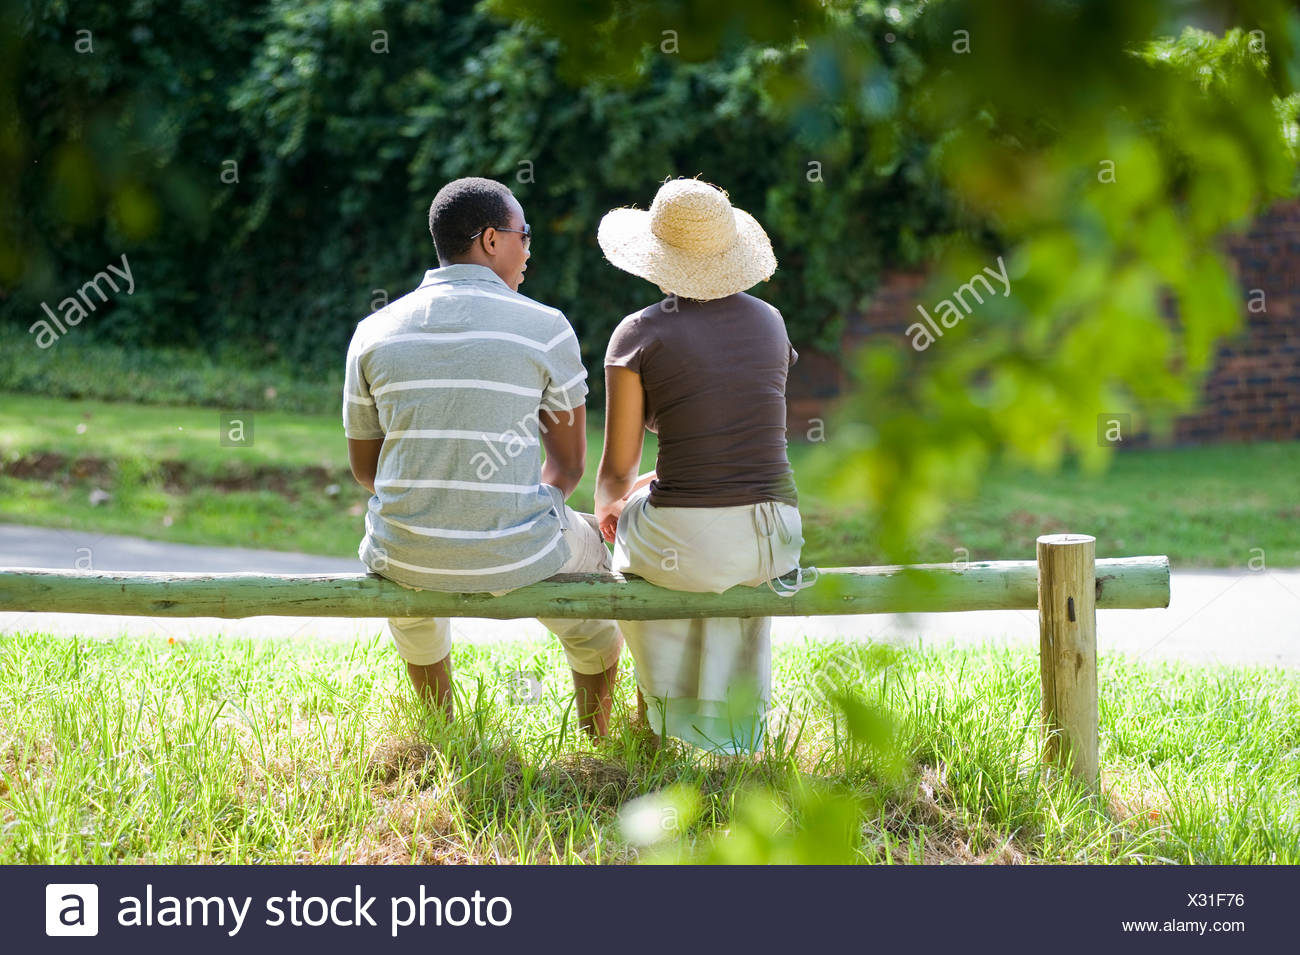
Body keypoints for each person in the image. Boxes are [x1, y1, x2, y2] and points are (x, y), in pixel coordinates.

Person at [343, 176, 623, 737]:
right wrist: (512, 513)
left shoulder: (373, 331)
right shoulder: (546, 328)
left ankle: (442, 736)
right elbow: (568, 466)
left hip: (405, 551)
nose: (529, 250)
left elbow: (367, 471)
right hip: (523, 549)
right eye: (525, 234)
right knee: (595, 602)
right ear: (491, 240)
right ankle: (595, 739)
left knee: (413, 609)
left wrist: (440, 510)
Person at [594, 178, 811, 755]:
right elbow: (736, 441)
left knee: (641, 548)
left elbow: (617, 472)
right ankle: (731, 728)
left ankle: (654, 722)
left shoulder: (639, 332)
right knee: (703, 550)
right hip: (775, 538)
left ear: (657, 258)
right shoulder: (771, 321)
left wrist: (614, 506)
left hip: (690, 541)